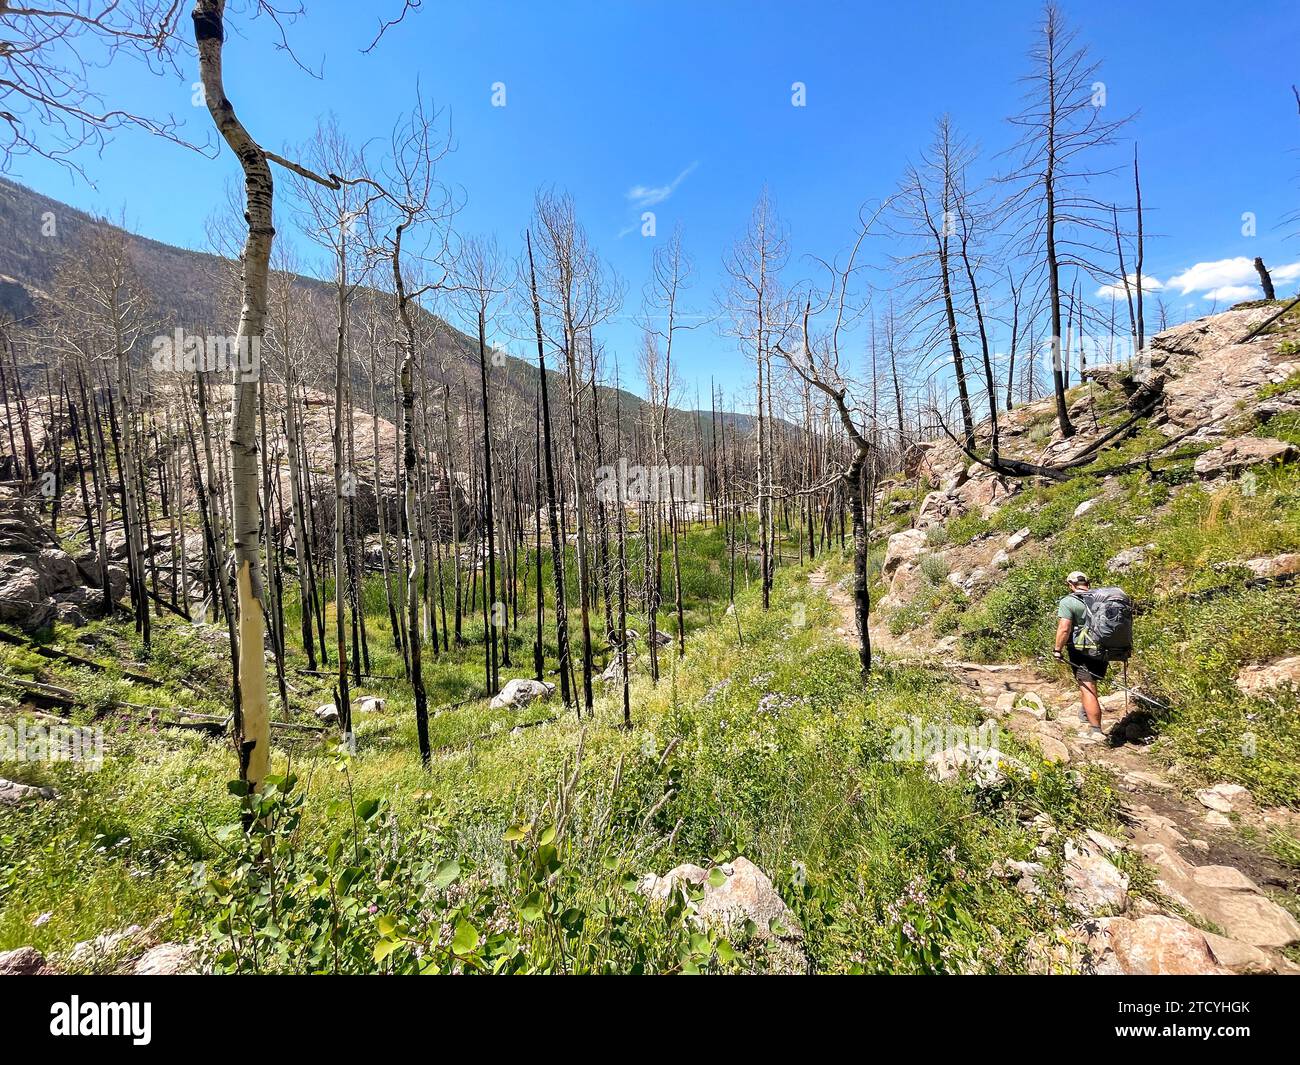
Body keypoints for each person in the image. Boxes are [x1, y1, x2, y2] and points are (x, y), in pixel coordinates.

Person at [1053, 570, 1107, 740]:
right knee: (1091, 682)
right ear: (1088, 584)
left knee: (1087, 687)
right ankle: (1085, 715)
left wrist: (1057, 649)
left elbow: (1064, 628)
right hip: (1103, 649)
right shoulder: (1101, 599)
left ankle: (1096, 730)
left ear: (1070, 585)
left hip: (1082, 651)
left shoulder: (1069, 601)